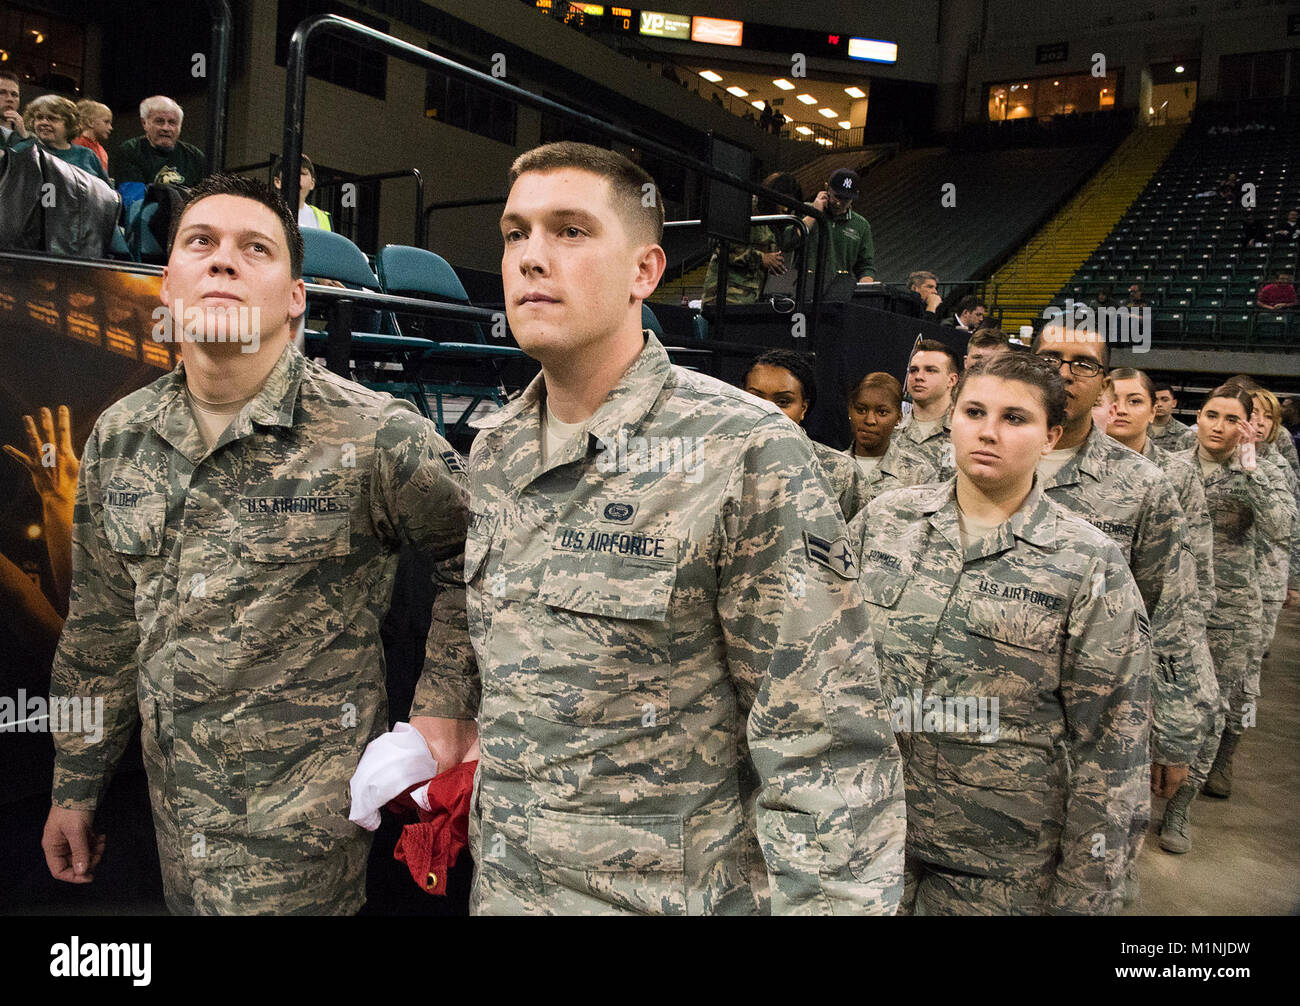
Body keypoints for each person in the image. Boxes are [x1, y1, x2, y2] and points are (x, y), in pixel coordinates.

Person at [415, 141, 906, 915]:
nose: (531, 258)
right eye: (516, 233)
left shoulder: (745, 450)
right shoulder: (497, 447)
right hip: (507, 886)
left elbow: (825, 747)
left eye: (570, 231)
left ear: (646, 272)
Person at [41, 174, 473, 915]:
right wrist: (73, 788)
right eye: (199, 243)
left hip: (307, 836)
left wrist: (443, 700)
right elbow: (99, 628)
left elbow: (480, 557)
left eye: (255, 248)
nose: (223, 261)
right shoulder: (121, 435)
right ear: (167, 282)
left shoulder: (374, 435)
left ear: (295, 296)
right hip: (173, 823)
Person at [849, 352, 1151, 914]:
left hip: (996, 862)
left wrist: (1087, 894)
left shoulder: (1087, 562)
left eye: (1015, 418)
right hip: (866, 834)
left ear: (1050, 436)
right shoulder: (885, 522)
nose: (988, 432)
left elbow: (1112, 746)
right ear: (951, 421)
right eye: (974, 412)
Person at [1032, 324, 1209, 825]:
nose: (1064, 374)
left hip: (1090, 721)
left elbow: (1171, 613)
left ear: (1103, 382)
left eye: (1083, 363)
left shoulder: (1142, 485)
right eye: (1050, 359)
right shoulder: (977, 459)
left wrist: (1172, 732)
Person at [1103, 369, 1221, 854]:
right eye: (1112, 398)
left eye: (1134, 400)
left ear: (1155, 410)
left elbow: (1194, 562)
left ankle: (1175, 808)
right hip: (1101, 630)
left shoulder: (1175, 474)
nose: (1120, 408)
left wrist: (1190, 632)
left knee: (1197, 714)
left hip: (1160, 619)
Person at [1170, 387, 1292, 824]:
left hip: (1231, 604)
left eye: (1229, 419)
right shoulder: (1171, 464)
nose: (1218, 426)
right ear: (1197, 418)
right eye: (1210, 415)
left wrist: (1251, 469)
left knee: (1216, 702)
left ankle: (1181, 809)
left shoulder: (1265, 468)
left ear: (1245, 425)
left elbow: (1281, 529)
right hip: (1173, 599)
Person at [742, 349, 864, 522]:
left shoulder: (841, 472)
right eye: (756, 399)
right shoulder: (720, 462)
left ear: (803, 408)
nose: (767, 410)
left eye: (783, 402)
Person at [701, 172, 800, 305]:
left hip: (751, 299)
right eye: (783, 201)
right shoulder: (745, 209)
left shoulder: (776, 222)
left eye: (791, 203)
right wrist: (762, 258)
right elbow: (722, 245)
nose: (787, 208)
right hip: (726, 298)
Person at [846, 372, 938, 507]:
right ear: (850, 411)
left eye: (882, 412)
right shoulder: (828, 468)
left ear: (899, 417)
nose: (870, 420)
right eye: (861, 410)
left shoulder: (920, 474)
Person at [892, 339, 958, 479]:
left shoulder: (964, 434)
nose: (919, 377)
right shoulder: (891, 433)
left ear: (951, 380)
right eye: (913, 370)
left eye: (930, 370)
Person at [801, 168, 874, 290]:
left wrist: (864, 289)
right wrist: (814, 214)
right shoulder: (805, 210)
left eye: (846, 199)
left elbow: (866, 266)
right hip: (803, 288)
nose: (839, 203)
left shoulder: (861, 225)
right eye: (837, 196)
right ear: (826, 188)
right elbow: (788, 241)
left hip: (838, 292)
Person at [114, 95, 207, 187]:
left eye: (172, 122)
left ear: (180, 126)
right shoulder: (130, 151)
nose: (166, 128)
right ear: (144, 123)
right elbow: (133, 197)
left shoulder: (194, 156)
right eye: (159, 121)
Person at [14, 94, 110, 184]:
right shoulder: (22, 151)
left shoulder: (87, 155)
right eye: (39, 118)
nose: (44, 122)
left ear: (69, 123)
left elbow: (108, 194)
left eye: (52, 118)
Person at [272, 154, 332, 232]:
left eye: (302, 173)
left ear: (312, 183)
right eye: (291, 172)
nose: (297, 177)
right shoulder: (264, 211)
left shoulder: (324, 218)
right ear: (277, 182)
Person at [1149, 381, 1198, 451]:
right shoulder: (1138, 429)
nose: (1159, 404)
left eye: (1165, 400)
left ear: (1174, 403)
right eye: (1155, 400)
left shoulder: (1186, 434)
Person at [72, 99, 113, 178]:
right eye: (106, 122)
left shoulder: (101, 150)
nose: (111, 127)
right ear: (90, 122)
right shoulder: (76, 145)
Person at [0, 70, 29, 149]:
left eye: (14, 94)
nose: (10, 99)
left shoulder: (30, 137)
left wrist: (23, 136)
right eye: (2, 92)